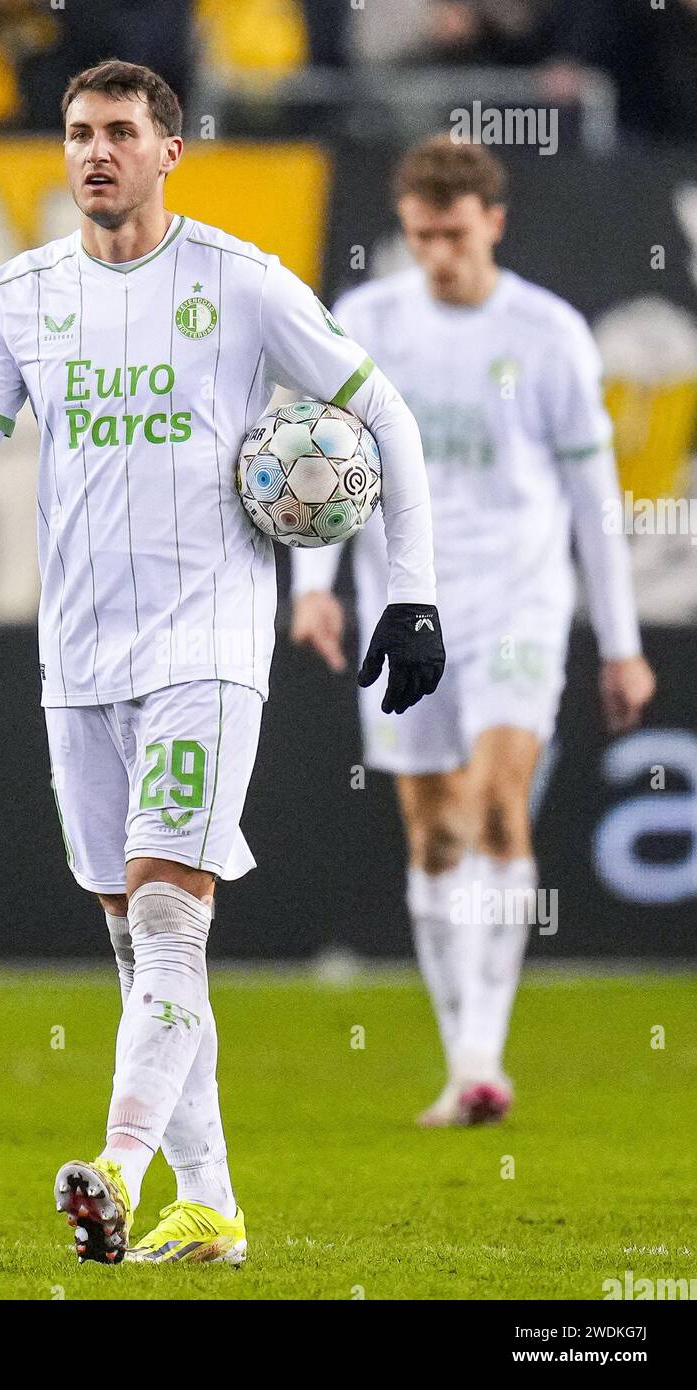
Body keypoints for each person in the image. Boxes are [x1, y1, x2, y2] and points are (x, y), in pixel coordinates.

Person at [0, 61, 444, 1265]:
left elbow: (390, 419)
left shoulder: (240, 283)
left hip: (208, 644)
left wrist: (416, 592)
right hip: (78, 655)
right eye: (78, 133)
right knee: (133, 939)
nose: (96, 152)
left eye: (121, 131)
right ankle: (210, 1201)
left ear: (172, 149)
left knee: (169, 916)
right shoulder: (22, 296)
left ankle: (113, 1167)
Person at [292, 136, 655, 1128]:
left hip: (520, 602)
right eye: (420, 237)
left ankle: (486, 1055)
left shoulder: (549, 335)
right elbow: (322, 468)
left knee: (498, 805)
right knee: (436, 828)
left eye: (453, 234)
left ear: (493, 222)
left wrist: (619, 643)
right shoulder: (363, 326)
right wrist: (314, 586)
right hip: (404, 605)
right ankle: (463, 1063)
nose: (438, 255)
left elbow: (593, 501)